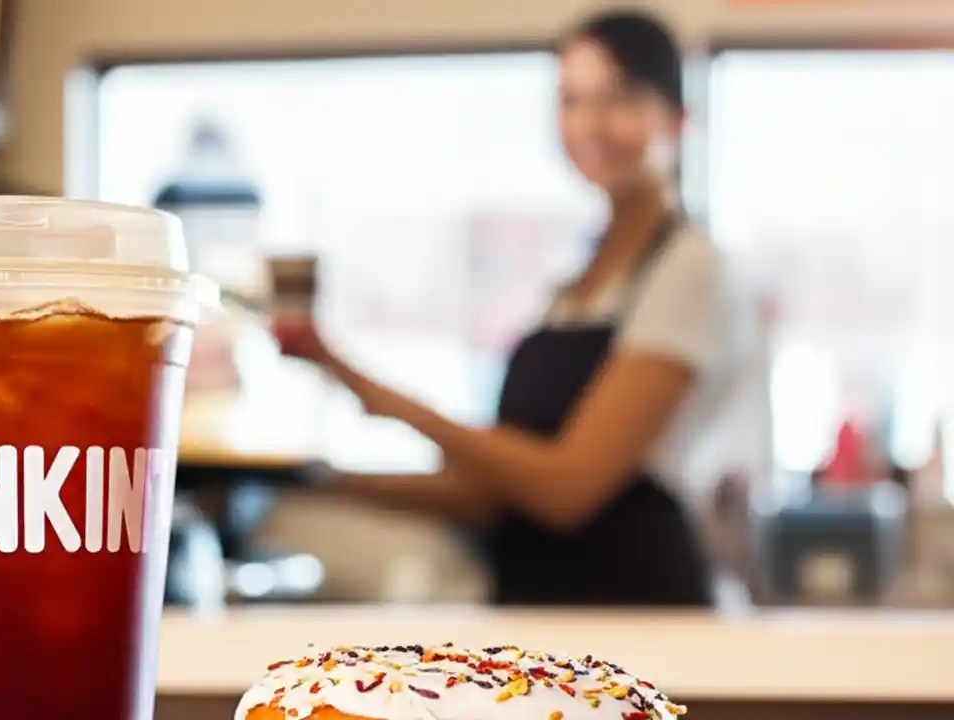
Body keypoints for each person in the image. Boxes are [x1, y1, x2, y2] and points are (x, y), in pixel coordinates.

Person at [286, 11, 742, 606]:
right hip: (536, 608)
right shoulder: (573, 283)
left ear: (678, 120)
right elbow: (491, 494)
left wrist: (382, 401)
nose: (592, 124)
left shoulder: (690, 268)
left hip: (636, 609)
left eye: (620, 98)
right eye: (572, 100)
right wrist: (313, 481)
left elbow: (566, 487)